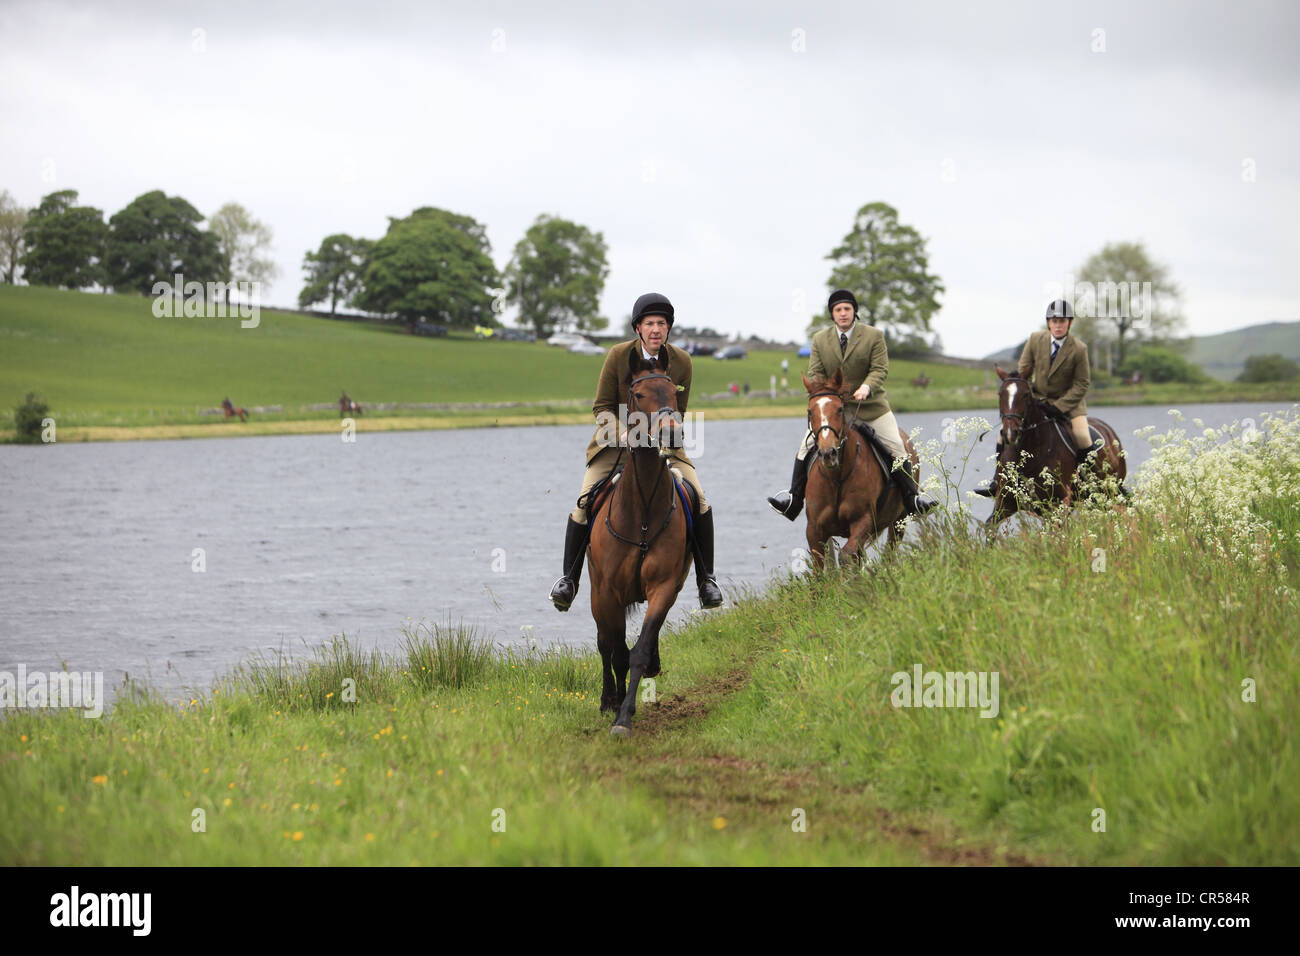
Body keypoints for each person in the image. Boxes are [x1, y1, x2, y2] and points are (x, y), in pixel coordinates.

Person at [549, 292, 723, 611]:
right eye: (649, 324)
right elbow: (601, 406)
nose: (656, 329)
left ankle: (706, 580)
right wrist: (626, 434)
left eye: (661, 323)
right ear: (638, 328)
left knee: (699, 498)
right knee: (585, 501)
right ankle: (568, 580)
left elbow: (679, 410)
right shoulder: (618, 356)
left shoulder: (682, 361)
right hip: (615, 445)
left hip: (665, 446)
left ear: (668, 328)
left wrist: (664, 433)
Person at [767, 289, 938, 519]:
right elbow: (815, 372)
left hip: (871, 407)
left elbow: (880, 369)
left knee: (897, 446)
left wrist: (866, 387)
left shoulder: (874, 335)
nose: (843, 313)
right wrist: (822, 392)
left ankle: (912, 499)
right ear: (832, 314)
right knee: (805, 447)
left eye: (847, 309)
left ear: (854, 311)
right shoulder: (820, 339)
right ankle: (794, 499)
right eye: (838, 310)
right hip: (834, 411)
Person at [975, 299, 1093, 497]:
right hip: (1037, 400)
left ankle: (1089, 481)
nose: (1057, 325)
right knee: (1002, 434)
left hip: (1069, 404)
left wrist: (1060, 406)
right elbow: (1023, 372)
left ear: (1069, 323)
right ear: (1048, 323)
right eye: (1054, 321)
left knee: (1082, 436)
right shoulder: (1035, 339)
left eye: (1062, 321)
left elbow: (1082, 383)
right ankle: (996, 481)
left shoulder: (1079, 349)